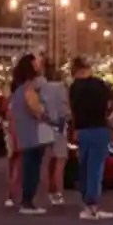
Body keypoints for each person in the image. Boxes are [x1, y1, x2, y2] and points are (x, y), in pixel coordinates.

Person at [68, 57, 113, 220]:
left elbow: (73, 112)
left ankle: (88, 204)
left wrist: (74, 130)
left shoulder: (74, 88)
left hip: (83, 131)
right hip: (100, 130)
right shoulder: (101, 85)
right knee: (96, 169)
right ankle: (93, 205)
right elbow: (111, 105)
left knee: (84, 168)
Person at [8, 54, 51, 215]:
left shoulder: (18, 88)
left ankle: (26, 200)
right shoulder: (29, 88)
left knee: (28, 165)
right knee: (32, 167)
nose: (38, 65)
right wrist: (44, 114)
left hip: (24, 132)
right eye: (35, 63)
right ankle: (28, 201)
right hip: (34, 133)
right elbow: (34, 108)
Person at [40, 58, 72, 206]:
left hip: (44, 126)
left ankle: (49, 192)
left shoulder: (42, 87)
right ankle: (58, 193)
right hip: (59, 127)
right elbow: (64, 108)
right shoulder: (60, 88)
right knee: (60, 161)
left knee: (48, 161)